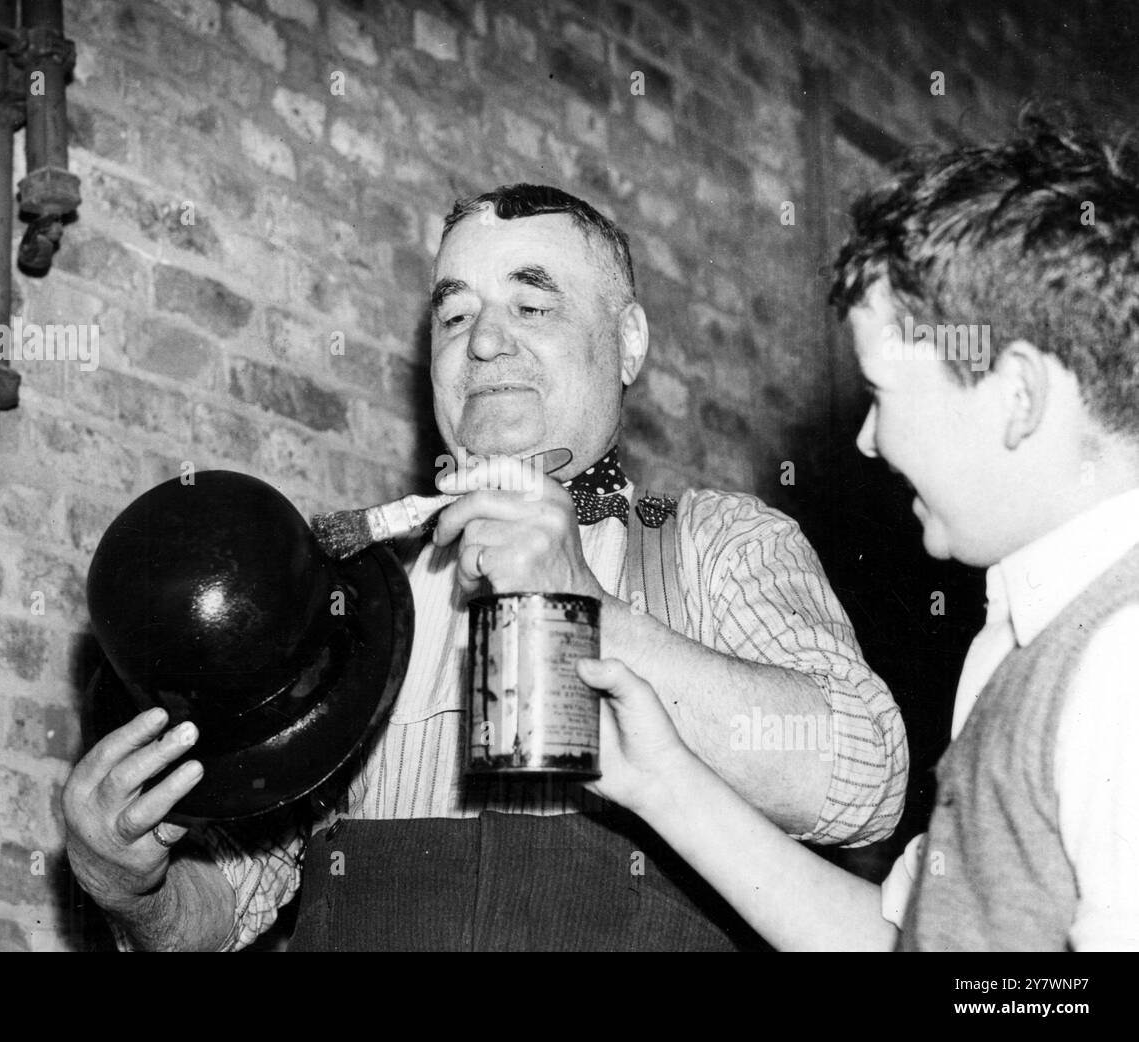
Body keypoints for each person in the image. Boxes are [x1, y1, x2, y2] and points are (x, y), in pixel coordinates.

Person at [63, 184, 908, 951]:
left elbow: (867, 776)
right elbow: (217, 917)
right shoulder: (357, 603)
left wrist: (586, 604)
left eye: (532, 305)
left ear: (627, 342)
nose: (486, 342)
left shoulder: (719, 546)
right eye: (456, 316)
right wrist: (126, 885)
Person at [582, 116, 1139, 951]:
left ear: (1016, 396)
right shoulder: (1017, 641)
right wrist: (663, 783)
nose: (868, 440)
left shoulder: (1122, 659)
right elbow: (894, 939)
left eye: (882, 392)